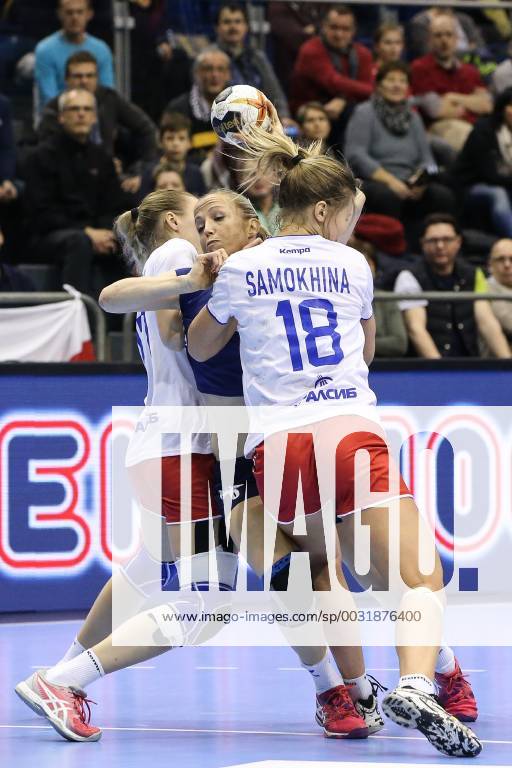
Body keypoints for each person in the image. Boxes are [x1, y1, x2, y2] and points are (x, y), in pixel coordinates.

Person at [14, 188, 382, 742]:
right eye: (199, 216)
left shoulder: (215, 266)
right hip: (186, 445)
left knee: (154, 568)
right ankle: (64, 680)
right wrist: (211, 291)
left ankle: (62, 675)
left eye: (218, 218)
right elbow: (150, 317)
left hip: (188, 444)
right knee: (211, 602)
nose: (207, 227)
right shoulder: (183, 258)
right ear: (174, 222)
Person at [186, 120, 482, 758]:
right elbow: (369, 351)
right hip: (348, 431)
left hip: (279, 448)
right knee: (416, 573)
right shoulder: (351, 263)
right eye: (348, 212)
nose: (352, 223)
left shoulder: (242, 267)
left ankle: (354, 692)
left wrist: (218, 287)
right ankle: (415, 682)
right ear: (322, 210)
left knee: (325, 567)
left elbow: (200, 344)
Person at [23, 88, 131, 295]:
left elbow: (114, 205)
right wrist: (88, 232)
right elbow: (41, 213)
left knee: (127, 240)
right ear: (62, 117)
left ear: (93, 117)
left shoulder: (102, 158)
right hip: (48, 236)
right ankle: (78, 315)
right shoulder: (40, 156)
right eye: (74, 109)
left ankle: (126, 319)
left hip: (96, 233)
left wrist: (106, 234)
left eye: (86, 109)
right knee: (79, 242)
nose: (81, 114)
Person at [344, 61, 455, 246]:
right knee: (388, 197)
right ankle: (396, 248)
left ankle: (435, 245)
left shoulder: (414, 117)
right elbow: (356, 154)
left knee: (443, 196)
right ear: (379, 85)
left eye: (402, 81)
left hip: (410, 182)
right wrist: (391, 181)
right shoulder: (364, 112)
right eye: (391, 80)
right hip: (377, 180)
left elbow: (426, 158)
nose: (397, 85)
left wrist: (420, 181)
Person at [394, 213, 511, 359]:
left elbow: (487, 323)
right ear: (422, 244)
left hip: (471, 363)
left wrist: (507, 363)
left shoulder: (474, 274)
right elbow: (416, 329)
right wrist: (441, 369)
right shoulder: (408, 276)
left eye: (447, 239)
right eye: (433, 240)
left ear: (458, 242)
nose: (440, 246)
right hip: (429, 370)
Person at [38, 51, 158, 184]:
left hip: (108, 177)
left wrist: (140, 170)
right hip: (67, 177)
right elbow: (47, 152)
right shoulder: (54, 108)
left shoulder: (109, 98)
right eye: (78, 76)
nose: (84, 81)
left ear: (97, 79)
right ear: (67, 80)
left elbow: (146, 129)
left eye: (90, 76)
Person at [410, 12, 492, 151]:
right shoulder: (419, 68)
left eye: (449, 35)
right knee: (471, 139)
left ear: (456, 39)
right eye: (438, 35)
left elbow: (486, 105)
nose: (444, 40)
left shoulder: (470, 71)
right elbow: (437, 111)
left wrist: (451, 97)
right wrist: (471, 102)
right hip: (439, 127)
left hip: (475, 126)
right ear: (429, 40)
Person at [290, 4, 373, 137]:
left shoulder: (363, 54)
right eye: (334, 27)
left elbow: (369, 90)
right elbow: (333, 82)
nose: (339, 34)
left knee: (363, 111)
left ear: (354, 31)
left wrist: (343, 100)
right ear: (324, 26)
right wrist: (348, 97)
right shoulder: (311, 49)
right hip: (307, 108)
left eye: (345, 29)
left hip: (344, 107)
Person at [215, 2, 291, 122]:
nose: (233, 27)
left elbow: (274, 91)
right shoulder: (209, 57)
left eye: (238, 21)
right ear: (217, 28)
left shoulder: (258, 56)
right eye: (227, 22)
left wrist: (284, 116)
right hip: (226, 121)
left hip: (259, 120)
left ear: (246, 27)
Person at [35, 0, 114, 112]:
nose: (75, 17)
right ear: (60, 14)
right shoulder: (45, 50)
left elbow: (108, 94)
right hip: (57, 118)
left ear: (89, 14)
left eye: (79, 12)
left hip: (95, 117)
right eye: (69, 12)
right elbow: (49, 98)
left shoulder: (102, 50)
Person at [453, 87, 512, 238]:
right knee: (498, 194)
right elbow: (490, 174)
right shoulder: (484, 130)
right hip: (473, 184)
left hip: (505, 182)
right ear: (502, 108)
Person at [164, 47, 231, 158]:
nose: (215, 75)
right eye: (208, 69)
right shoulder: (178, 109)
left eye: (220, 69)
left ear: (228, 75)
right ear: (196, 73)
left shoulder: (240, 108)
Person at [350, 237, 408, 357]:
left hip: (384, 369)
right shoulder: (334, 299)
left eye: (369, 263)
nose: (366, 269)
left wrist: (352, 343)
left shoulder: (387, 299)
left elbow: (399, 343)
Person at [139, 113, 206, 198]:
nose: (175, 143)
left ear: (190, 143)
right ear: (160, 142)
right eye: (170, 138)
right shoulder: (149, 172)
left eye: (181, 138)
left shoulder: (196, 173)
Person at [482, 238, 512, 352]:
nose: (507, 264)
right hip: (497, 365)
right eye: (500, 259)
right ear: (490, 264)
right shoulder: (485, 288)